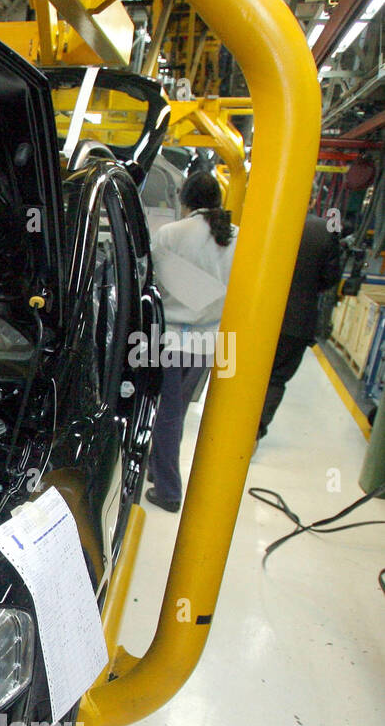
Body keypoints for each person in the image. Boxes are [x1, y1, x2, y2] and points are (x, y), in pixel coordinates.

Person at [146, 171, 238, 514]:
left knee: (166, 414)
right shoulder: (235, 237)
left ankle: (168, 490)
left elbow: (152, 284)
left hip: (169, 338)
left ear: (184, 199)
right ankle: (157, 469)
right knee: (176, 412)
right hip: (210, 341)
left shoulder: (170, 234)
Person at [256, 212, 342, 442]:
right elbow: (331, 277)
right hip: (297, 321)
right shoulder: (325, 232)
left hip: (256, 315)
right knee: (276, 378)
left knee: (248, 372)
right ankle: (256, 430)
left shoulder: (264, 217)